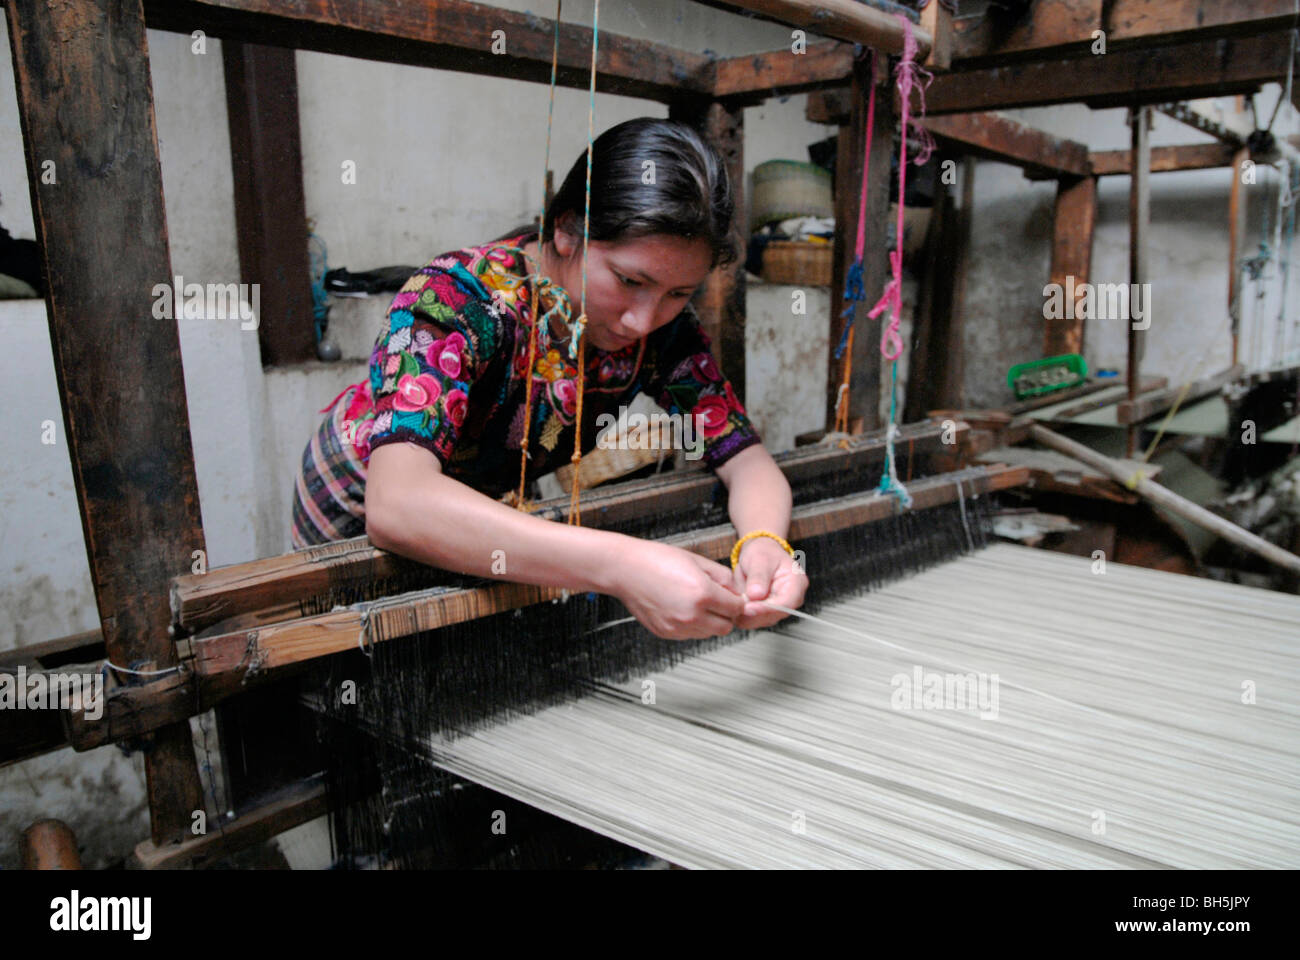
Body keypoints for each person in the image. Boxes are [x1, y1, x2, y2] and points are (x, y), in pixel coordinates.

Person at [291, 117, 807, 640]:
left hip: (484, 511)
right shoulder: (457, 299)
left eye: (679, 294)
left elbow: (745, 460)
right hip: (358, 509)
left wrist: (764, 543)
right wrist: (622, 566)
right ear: (566, 230)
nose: (642, 321)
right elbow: (398, 504)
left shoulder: (665, 337)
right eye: (630, 281)